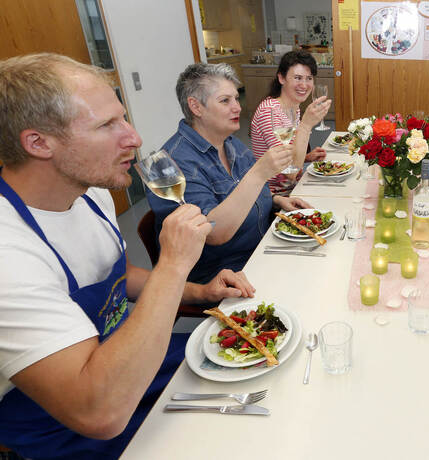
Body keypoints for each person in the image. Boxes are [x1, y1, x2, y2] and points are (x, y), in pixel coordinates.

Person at [0, 53, 255, 459]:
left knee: (252, 374)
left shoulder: (91, 193)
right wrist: (173, 264)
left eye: (122, 118)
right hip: (70, 423)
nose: (134, 137)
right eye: (107, 125)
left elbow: (119, 274)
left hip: (131, 356)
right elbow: (100, 412)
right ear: (38, 143)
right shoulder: (9, 255)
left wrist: (200, 291)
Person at [147, 62, 312, 284]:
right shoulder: (164, 167)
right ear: (196, 107)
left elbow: (246, 194)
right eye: (225, 101)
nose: (237, 107)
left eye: (236, 98)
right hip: (223, 275)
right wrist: (259, 172)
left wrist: (276, 200)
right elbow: (213, 232)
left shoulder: (231, 143)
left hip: (262, 248)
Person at [250, 50, 331, 195]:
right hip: (276, 195)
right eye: (298, 78)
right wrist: (306, 125)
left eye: (309, 78)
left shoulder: (293, 108)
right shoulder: (270, 111)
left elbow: (286, 155)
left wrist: (306, 157)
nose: (304, 85)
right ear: (281, 78)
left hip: (294, 186)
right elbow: (291, 173)